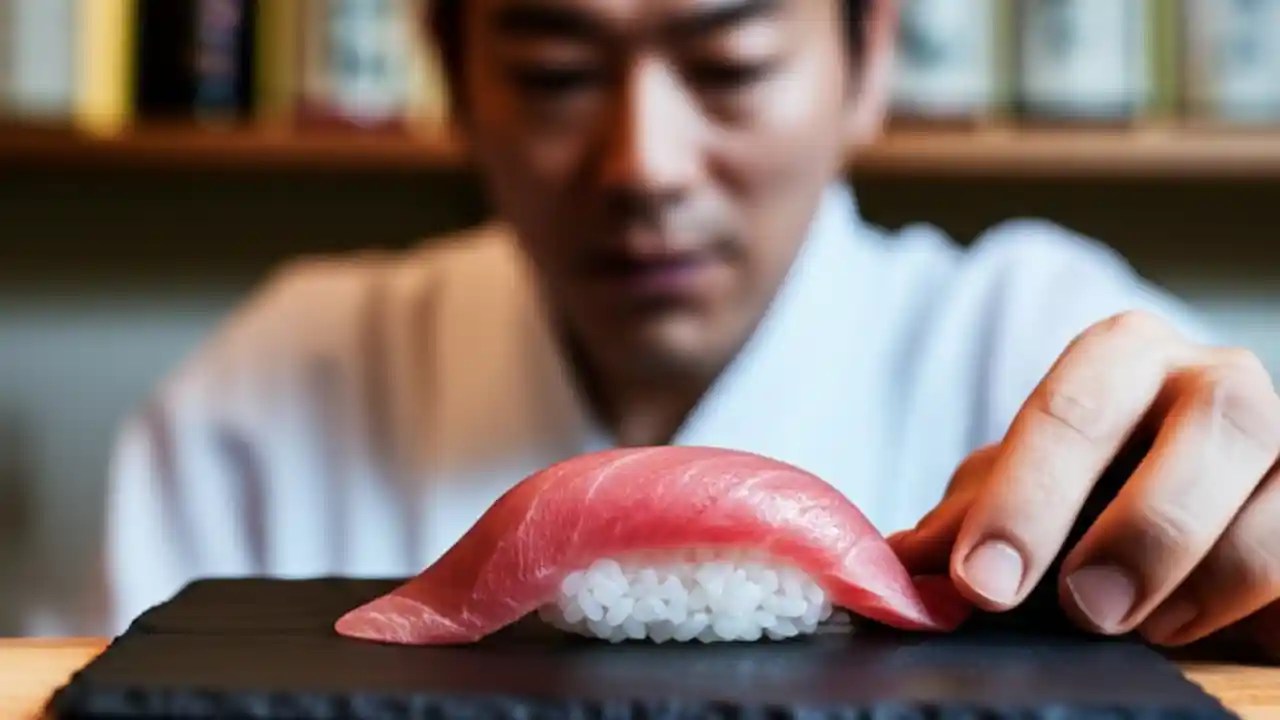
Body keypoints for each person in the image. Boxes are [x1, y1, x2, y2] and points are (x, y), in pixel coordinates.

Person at [98, 0, 1280, 656]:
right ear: (453, 77)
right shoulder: (265, 391)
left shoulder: (1035, 331)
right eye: (556, 73)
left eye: (728, 65)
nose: (644, 165)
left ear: (867, 59)